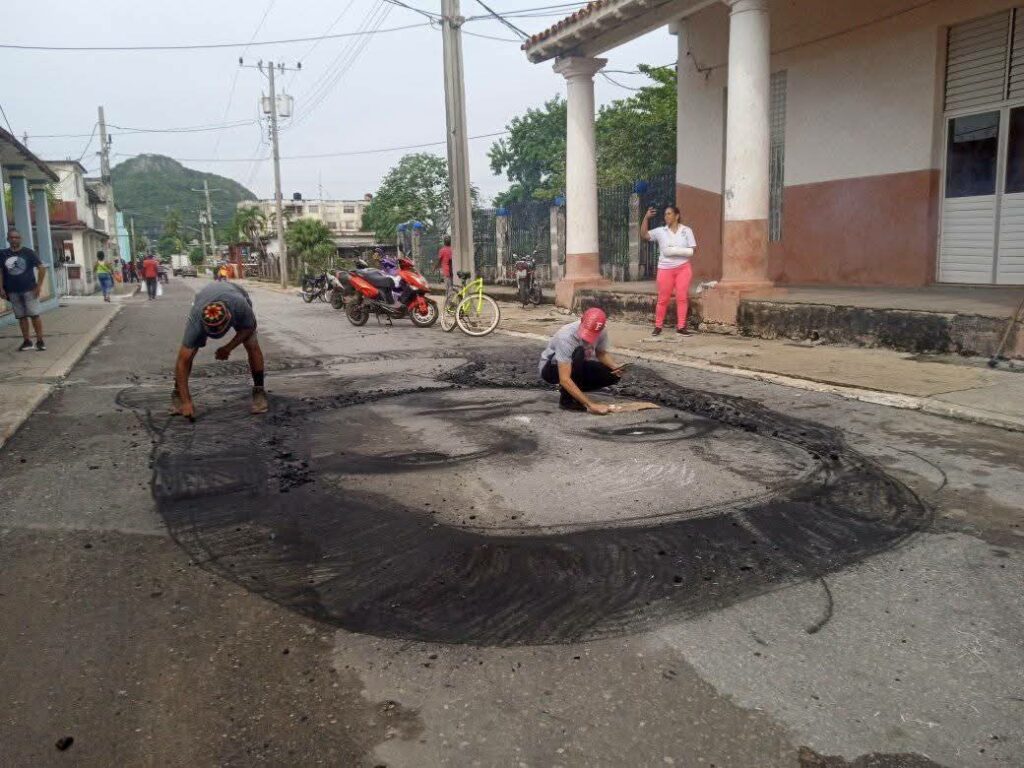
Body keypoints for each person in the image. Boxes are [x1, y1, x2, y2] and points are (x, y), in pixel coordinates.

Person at [172, 281, 268, 419]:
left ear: (229, 319)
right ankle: (178, 394)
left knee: (252, 345)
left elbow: (249, 327)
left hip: (235, 293)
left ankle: (259, 391)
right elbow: (182, 362)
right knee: (187, 355)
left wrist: (228, 348)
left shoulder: (240, 307)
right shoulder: (196, 320)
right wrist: (186, 402)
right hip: (204, 298)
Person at [539, 307, 624, 414]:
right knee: (579, 352)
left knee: (613, 374)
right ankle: (567, 400)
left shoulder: (601, 330)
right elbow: (564, 378)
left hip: (577, 365)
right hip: (551, 368)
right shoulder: (565, 336)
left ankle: (574, 390)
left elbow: (601, 353)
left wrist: (615, 366)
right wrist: (590, 404)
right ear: (581, 320)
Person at [641, 205, 697, 337]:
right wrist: (646, 218)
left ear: (677, 216)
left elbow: (693, 249)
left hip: (683, 268)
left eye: (669, 214)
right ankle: (658, 326)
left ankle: (681, 327)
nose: (666, 216)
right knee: (663, 298)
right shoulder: (661, 231)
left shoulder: (686, 230)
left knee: (682, 297)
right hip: (665, 269)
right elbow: (644, 235)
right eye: (665, 214)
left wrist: (675, 251)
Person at [1, 229, 47, 351]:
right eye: (12, 237)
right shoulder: (3, 254)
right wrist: (1, 288)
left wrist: (38, 286)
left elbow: (41, 268)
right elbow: (0, 272)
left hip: (29, 290)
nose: (14, 239)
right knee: (21, 317)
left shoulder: (28, 253)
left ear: (20, 239)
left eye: (16, 237)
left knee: (34, 315)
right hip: (12, 291)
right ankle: (27, 341)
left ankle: (40, 341)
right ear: (8, 239)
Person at [436, 235, 453, 300]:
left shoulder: (442, 250)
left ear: (444, 242)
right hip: (449, 271)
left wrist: (435, 267)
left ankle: (448, 301)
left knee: (448, 287)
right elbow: (450, 261)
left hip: (446, 271)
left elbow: (439, 261)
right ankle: (448, 301)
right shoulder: (451, 249)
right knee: (450, 287)